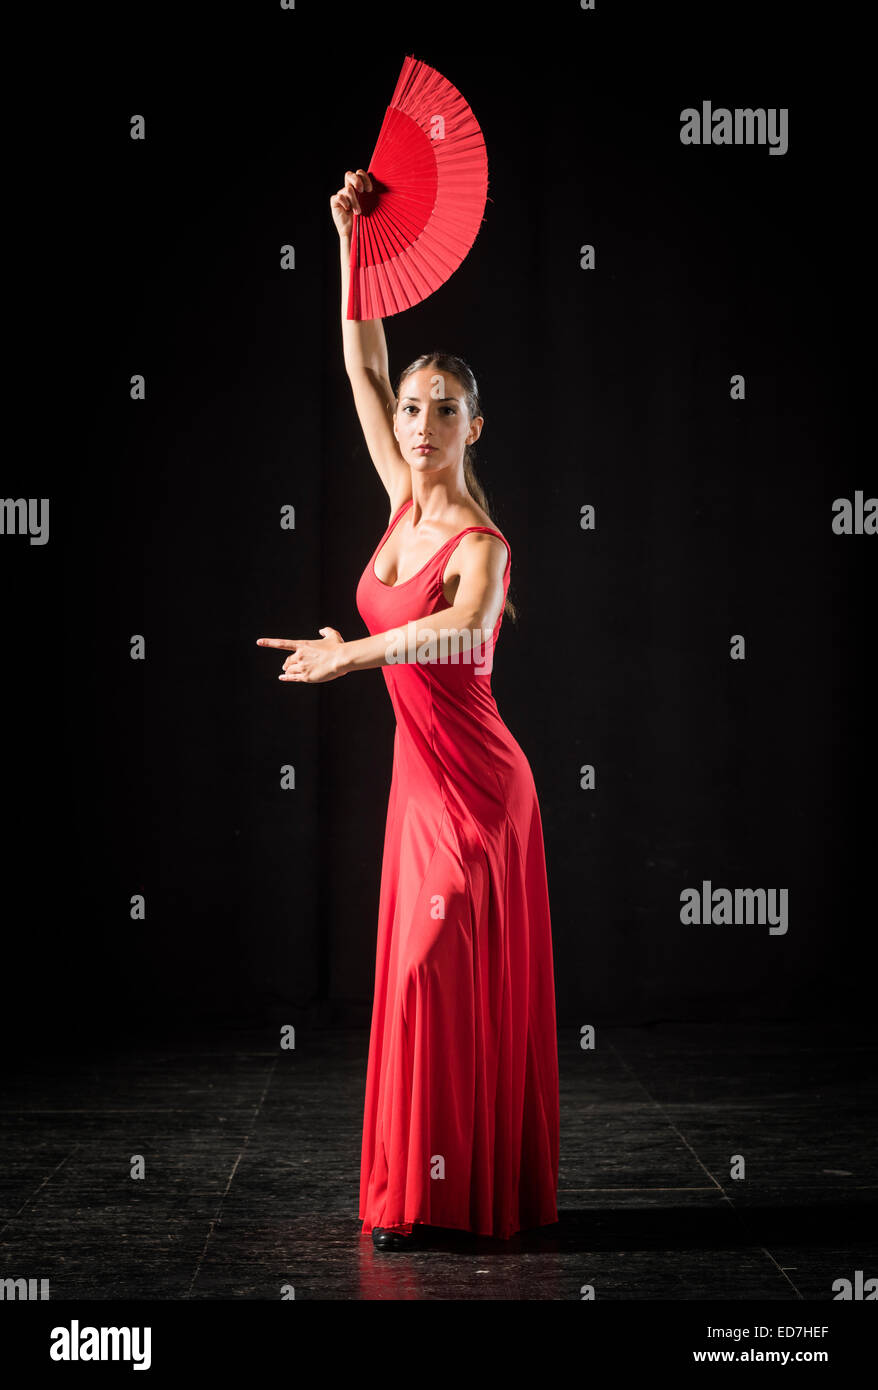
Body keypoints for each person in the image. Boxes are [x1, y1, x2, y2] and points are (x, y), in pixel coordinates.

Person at [258, 168, 560, 1250]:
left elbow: (458, 636)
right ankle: (427, 1201)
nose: (419, 420)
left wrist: (354, 659)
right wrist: (348, 239)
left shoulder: (479, 544)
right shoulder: (397, 495)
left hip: (480, 792)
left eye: (443, 410)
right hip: (416, 785)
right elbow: (360, 355)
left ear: (476, 427)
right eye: (414, 407)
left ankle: (465, 1193)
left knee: (438, 969)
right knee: (412, 976)